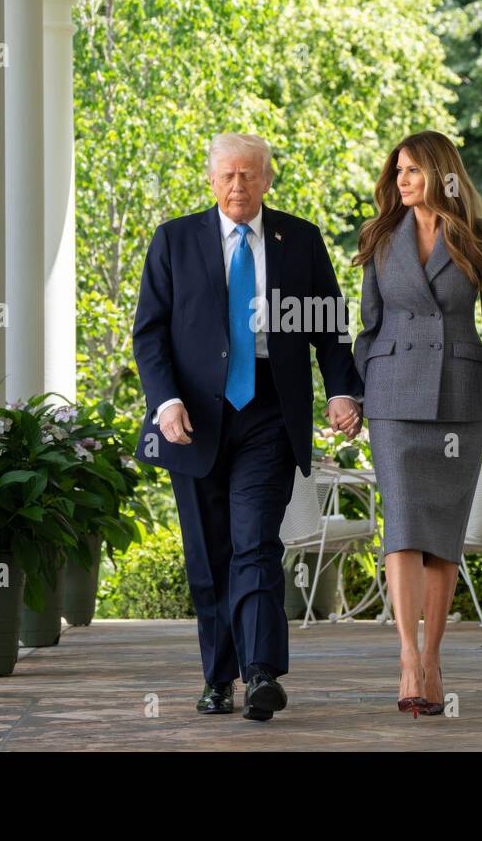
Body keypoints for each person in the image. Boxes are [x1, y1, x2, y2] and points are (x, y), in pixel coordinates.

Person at [131, 133, 364, 721]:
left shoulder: (299, 240)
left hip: (268, 410)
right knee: (209, 554)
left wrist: (340, 390)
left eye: (249, 175)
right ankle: (219, 677)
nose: (238, 186)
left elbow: (330, 326)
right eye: (228, 175)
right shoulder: (175, 240)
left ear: (267, 178)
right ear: (211, 179)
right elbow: (150, 333)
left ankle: (260, 672)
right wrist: (166, 402)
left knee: (256, 542)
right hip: (193, 416)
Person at [351, 130, 482, 718]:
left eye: (414, 171)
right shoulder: (378, 237)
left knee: (442, 534)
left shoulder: (479, 235)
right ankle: (406, 656)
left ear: (442, 174)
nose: (402, 180)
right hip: (392, 395)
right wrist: (349, 394)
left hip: (459, 396)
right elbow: (367, 328)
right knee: (400, 525)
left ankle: (434, 658)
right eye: (398, 170)